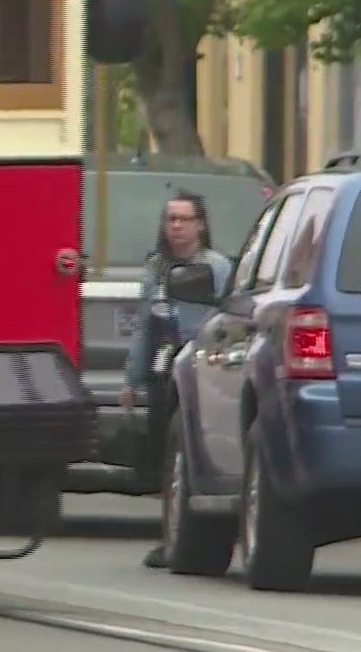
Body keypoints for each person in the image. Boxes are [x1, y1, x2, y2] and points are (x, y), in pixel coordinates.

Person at [122, 190, 232, 569]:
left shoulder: (215, 267)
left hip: (198, 364)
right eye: (171, 219)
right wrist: (132, 379)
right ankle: (167, 533)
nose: (177, 227)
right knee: (163, 453)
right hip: (163, 367)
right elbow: (144, 327)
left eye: (184, 219)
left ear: (200, 225)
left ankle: (190, 534)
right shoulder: (155, 268)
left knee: (190, 448)